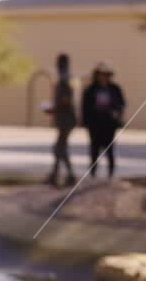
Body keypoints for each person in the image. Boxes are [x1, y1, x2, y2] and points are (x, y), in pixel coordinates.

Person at [81, 62, 125, 177]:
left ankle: (110, 173)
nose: (103, 77)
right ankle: (93, 173)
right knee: (94, 149)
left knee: (109, 149)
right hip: (95, 124)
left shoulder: (114, 89)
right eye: (101, 74)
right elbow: (85, 107)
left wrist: (117, 113)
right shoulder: (90, 89)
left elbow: (121, 103)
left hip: (109, 124)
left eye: (106, 74)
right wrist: (86, 122)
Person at [45, 53, 77, 187]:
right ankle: (56, 174)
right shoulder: (64, 79)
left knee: (59, 148)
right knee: (59, 148)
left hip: (66, 120)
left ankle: (67, 175)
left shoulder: (65, 80)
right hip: (64, 119)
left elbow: (65, 101)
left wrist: (54, 109)